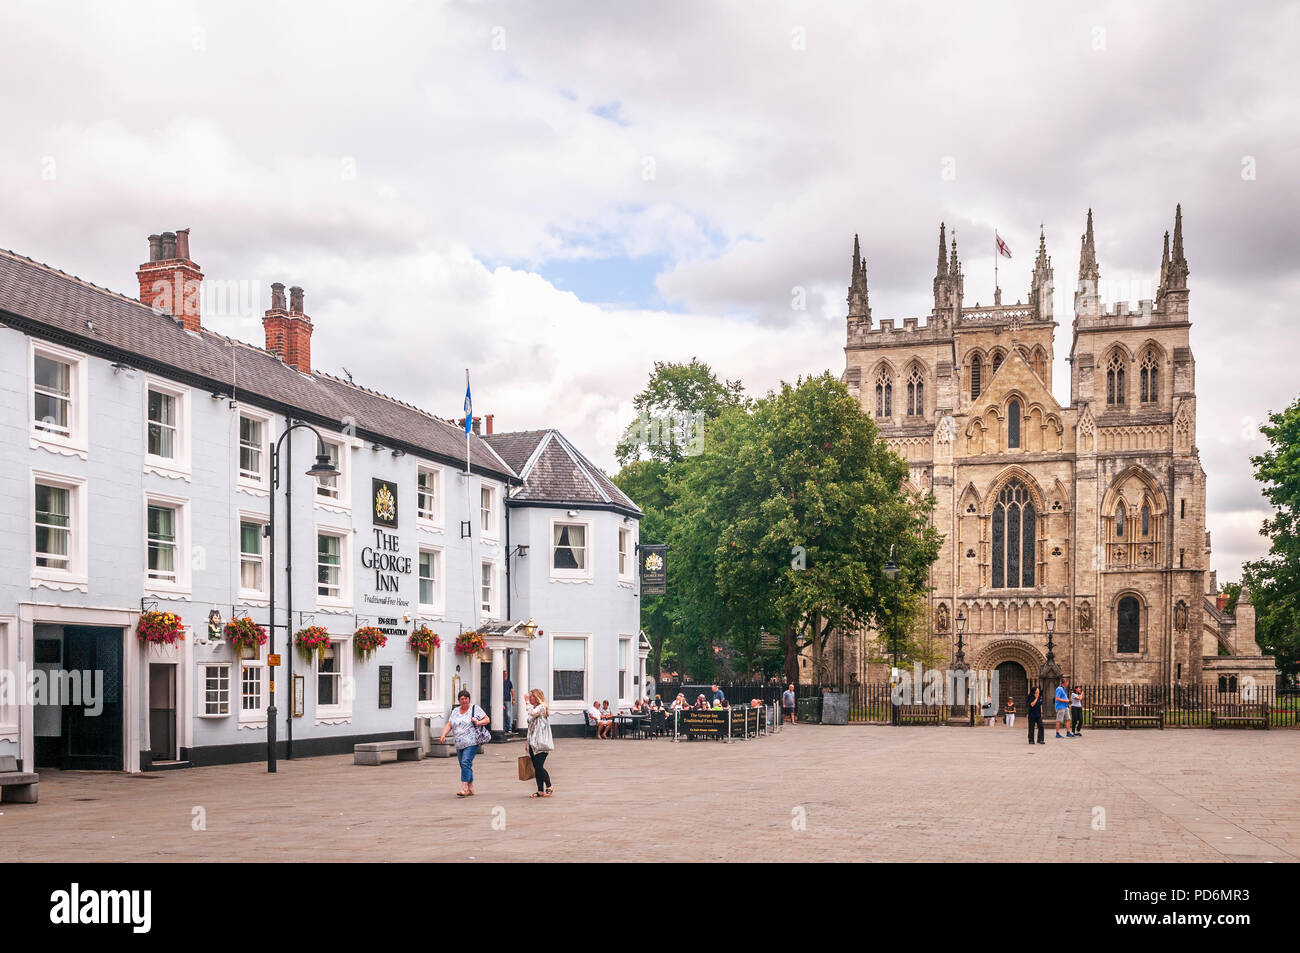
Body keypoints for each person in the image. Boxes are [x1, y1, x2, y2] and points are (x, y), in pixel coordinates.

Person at [438, 689, 491, 797]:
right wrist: (443, 734)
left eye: (466, 699)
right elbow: (450, 724)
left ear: (469, 699)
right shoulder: (455, 711)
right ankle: (471, 788)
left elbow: (487, 720)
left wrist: (478, 722)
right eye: (461, 699)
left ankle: (464, 788)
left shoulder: (475, 709)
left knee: (465, 762)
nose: (464, 701)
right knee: (464, 765)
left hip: (471, 742)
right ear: (459, 700)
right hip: (458, 743)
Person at [525, 689, 554, 798]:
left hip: (542, 743)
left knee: (539, 766)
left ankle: (550, 786)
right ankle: (540, 790)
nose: (530, 698)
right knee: (536, 767)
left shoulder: (542, 707)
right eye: (529, 697)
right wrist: (527, 741)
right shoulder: (533, 708)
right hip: (533, 742)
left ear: (537, 697)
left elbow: (532, 713)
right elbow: (530, 726)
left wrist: (526, 702)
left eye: (531, 696)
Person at [502, 669, 515, 734]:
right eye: (504, 674)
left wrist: (513, 699)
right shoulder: (500, 682)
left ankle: (509, 728)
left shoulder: (509, 682)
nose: (505, 675)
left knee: (508, 714)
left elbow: (512, 691)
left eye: (506, 674)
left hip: (508, 700)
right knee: (502, 715)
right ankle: (503, 728)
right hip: (500, 700)